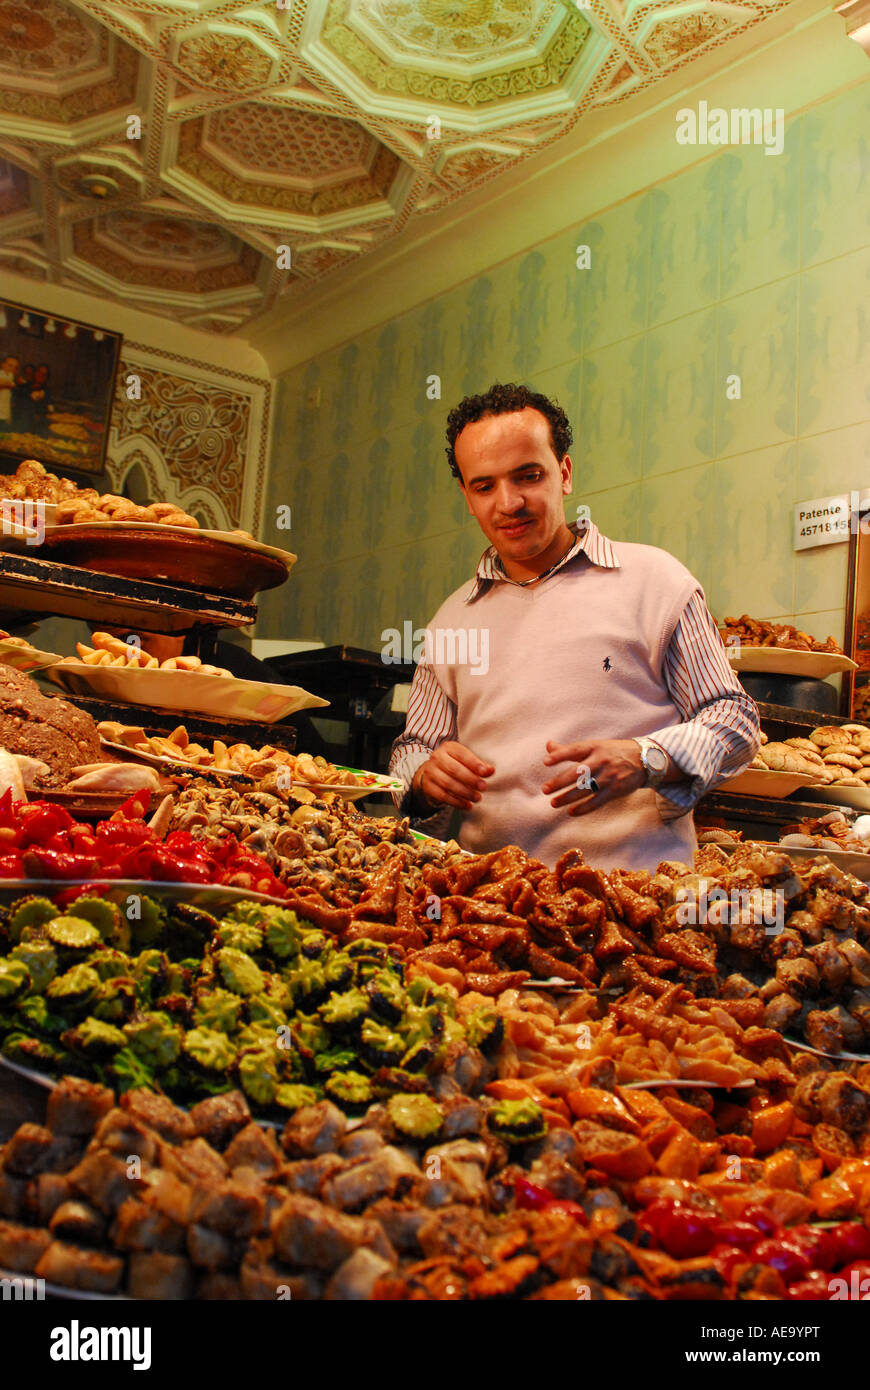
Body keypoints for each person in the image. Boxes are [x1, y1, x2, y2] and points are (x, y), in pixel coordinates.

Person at [388, 382, 760, 872]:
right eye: (485, 486)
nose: (509, 503)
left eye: (528, 476)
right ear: (467, 495)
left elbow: (734, 720)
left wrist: (646, 756)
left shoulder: (656, 582)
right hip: (486, 904)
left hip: (635, 902)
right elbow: (413, 748)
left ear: (563, 473)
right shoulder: (451, 620)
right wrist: (422, 777)